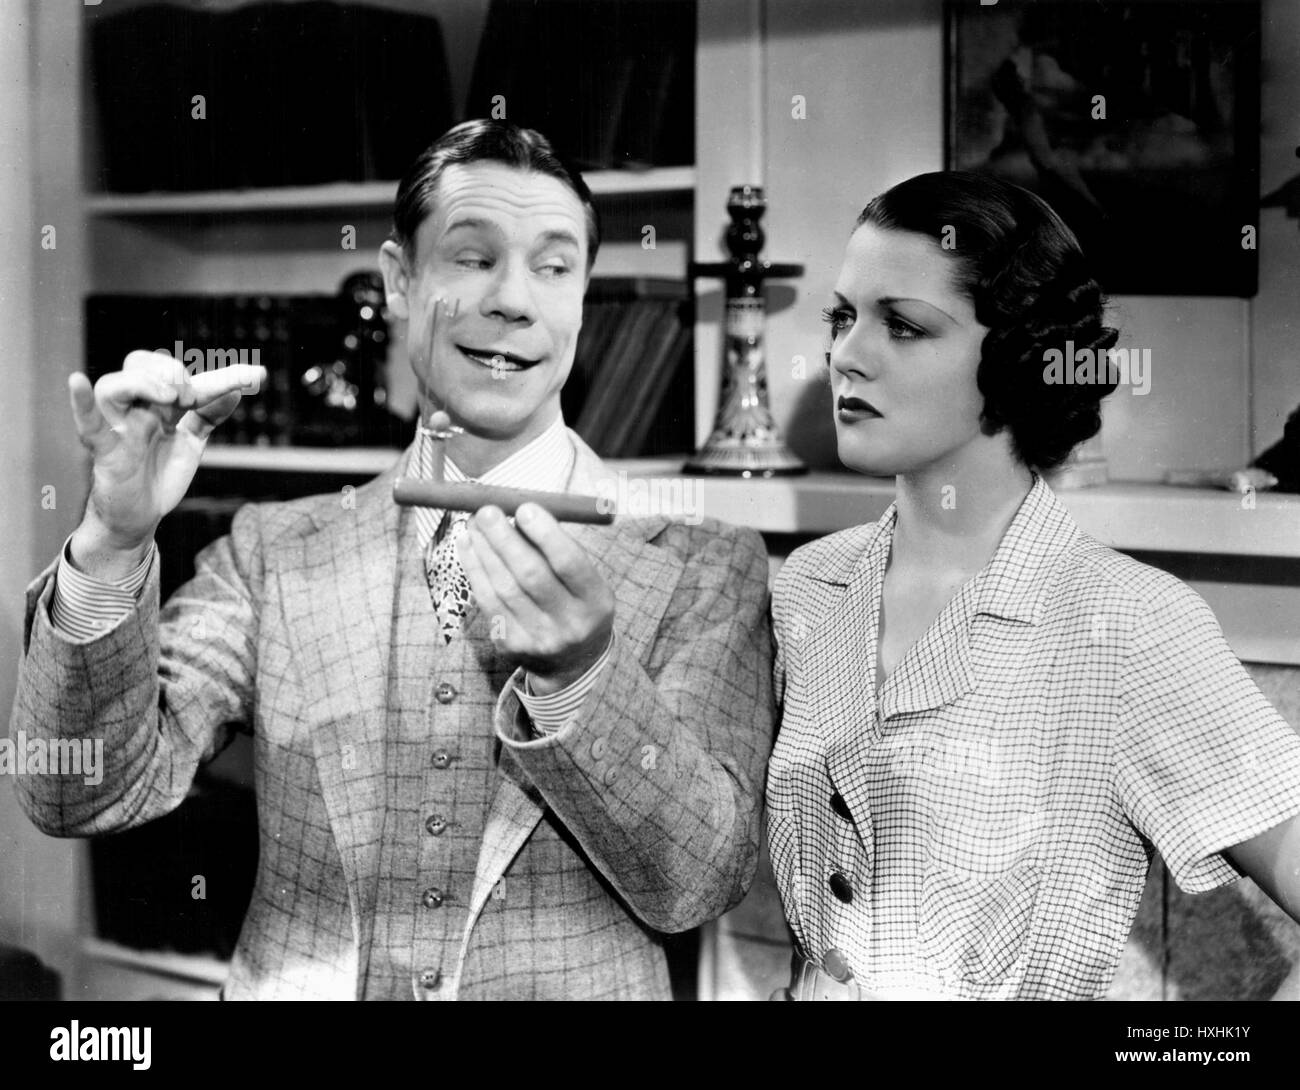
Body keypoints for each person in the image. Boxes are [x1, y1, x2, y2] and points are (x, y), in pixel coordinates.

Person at [10, 120, 774, 1000]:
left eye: (554, 267)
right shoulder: (274, 551)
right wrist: (113, 539)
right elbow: (77, 793)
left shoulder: (701, 564)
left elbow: (699, 885)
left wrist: (581, 680)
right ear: (400, 282)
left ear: (582, 295)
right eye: (472, 258)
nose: (514, 301)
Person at [766, 170, 1300, 1001]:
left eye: (902, 326)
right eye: (843, 317)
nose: (845, 354)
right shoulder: (810, 586)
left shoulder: (1127, 623)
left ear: (1017, 356)